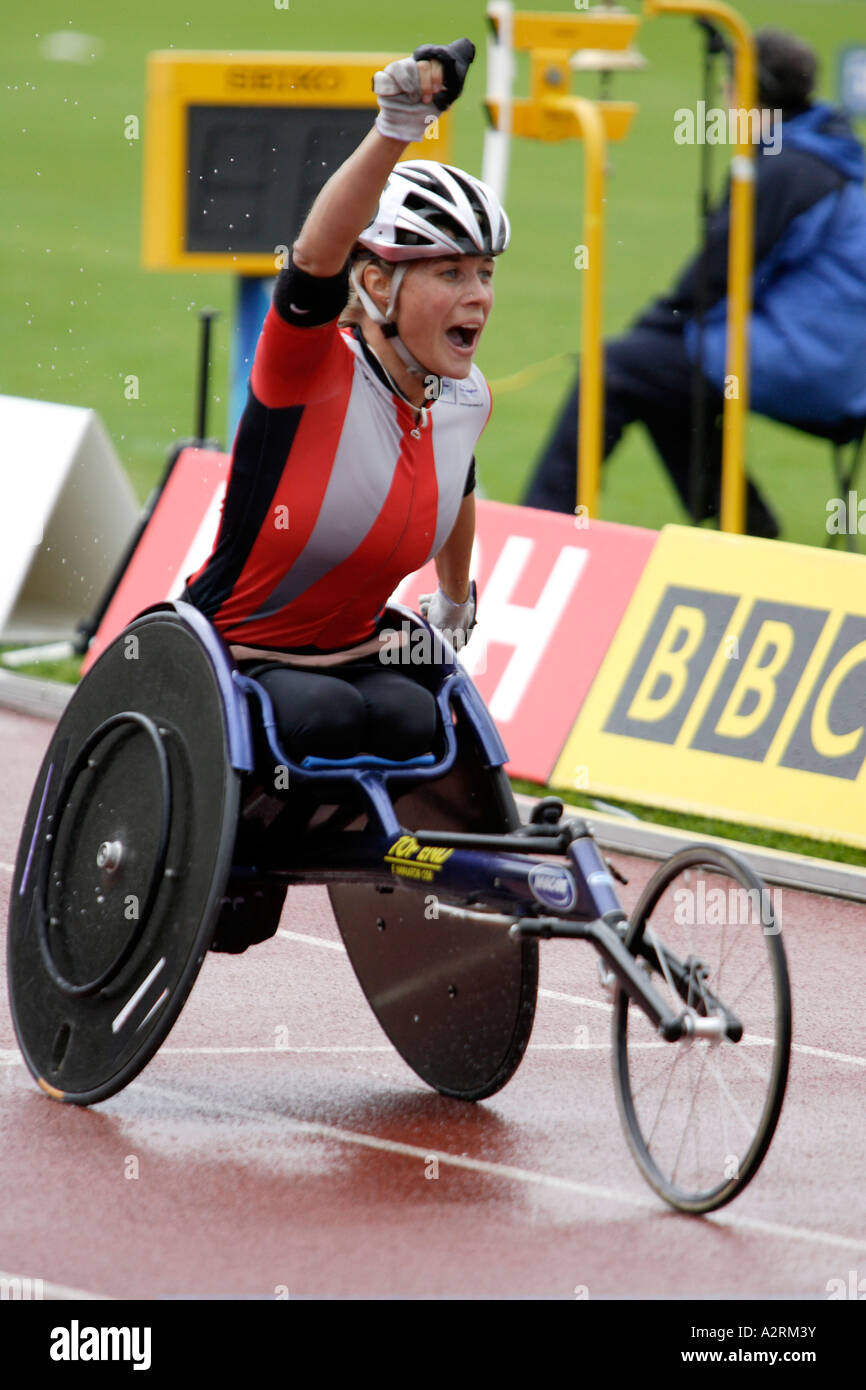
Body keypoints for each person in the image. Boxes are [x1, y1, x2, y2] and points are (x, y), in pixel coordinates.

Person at [181, 38, 508, 762]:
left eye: (485, 272)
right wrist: (395, 128)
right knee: (324, 716)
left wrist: (455, 603)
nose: (478, 296)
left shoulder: (465, 397)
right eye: (450, 272)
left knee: (419, 715)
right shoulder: (310, 367)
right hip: (238, 648)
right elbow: (315, 261)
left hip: (357, 646)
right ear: (379, 285)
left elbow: (459, 485)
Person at [523, 28, 866, 537]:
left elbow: (711, 279)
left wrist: (651, 332)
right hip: (843, 365)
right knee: (663, 374)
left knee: (619, 367)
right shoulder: (828, 152)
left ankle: (539, 530)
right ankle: (749, 534)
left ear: (738, 92)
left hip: (823, 371)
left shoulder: (782, 169)